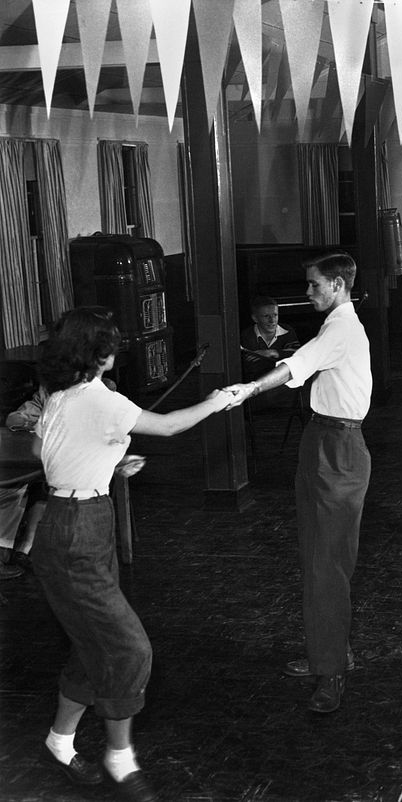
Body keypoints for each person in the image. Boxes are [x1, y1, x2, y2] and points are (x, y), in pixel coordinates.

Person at [32, 306, 230, 801]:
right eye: (112, 343)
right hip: (80, 532)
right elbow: (167, 427)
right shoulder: (102, 400)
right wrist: (215, 401)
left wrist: (107, 465)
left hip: (68, 522)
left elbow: (45, 455)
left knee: (90, 641)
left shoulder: (62, 397)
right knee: (128, 648)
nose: (117, 350)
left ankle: (59, 742)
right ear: (99, 352)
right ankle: (120, 759)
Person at [223, 252, 373, 712]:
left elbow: (294, 367)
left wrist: (247, 389)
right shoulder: (334, 326)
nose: (307, 293)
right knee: (314, 557)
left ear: (337, 286)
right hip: (320, 439)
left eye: (313, 285)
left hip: (340, 450)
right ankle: (326, 652)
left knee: (328, 564)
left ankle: (332, 672)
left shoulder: (343, 328)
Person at [0, 388, 52, 579]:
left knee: (43, 485)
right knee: (16, 484)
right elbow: (14, 419)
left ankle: (22, 550)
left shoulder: (93, 390)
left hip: (74, 468)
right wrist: (33, 422)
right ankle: (9, 552)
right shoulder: (47, 393)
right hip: (41, 457)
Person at [239, 295, 300, 380]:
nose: (272, 320)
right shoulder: (247, 335)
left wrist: (273, 353)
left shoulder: (287, 331)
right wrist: (282, 357)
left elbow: (298, 356)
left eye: (275, 315)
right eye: (266, 316)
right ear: (255, 318)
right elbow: (250, 366)